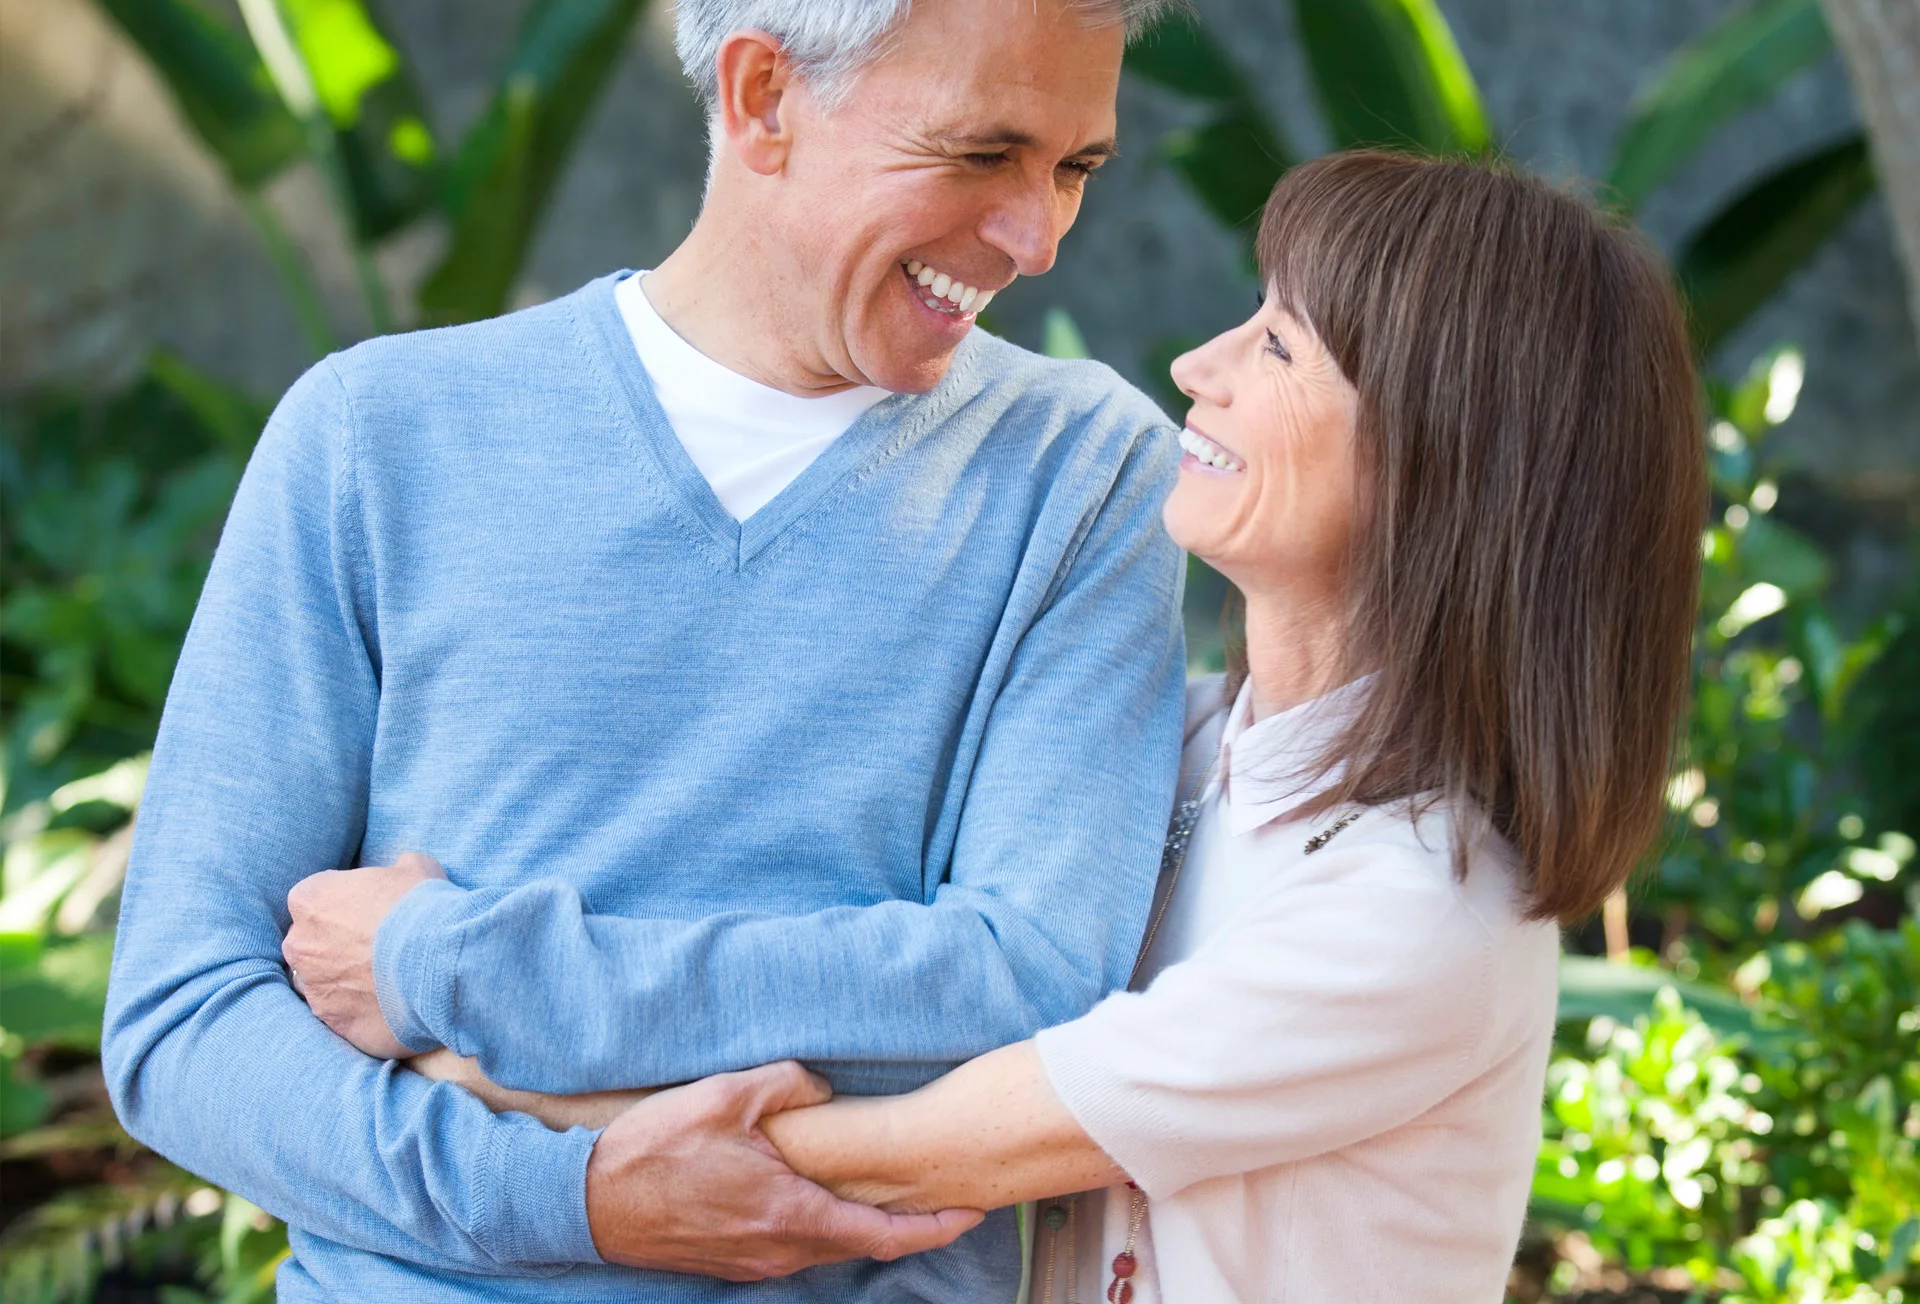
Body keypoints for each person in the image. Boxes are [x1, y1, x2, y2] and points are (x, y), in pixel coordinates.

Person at [103, 0, 1190, 1301]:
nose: (1038, 237)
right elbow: (184, 1025)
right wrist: (582, 1195)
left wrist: (459, 966)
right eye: (982, 154)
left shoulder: (1081, 476)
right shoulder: (376, 437)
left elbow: (1023, 979)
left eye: (1076, 166)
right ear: (761, 97)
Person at [475, 150, 1707, 1302]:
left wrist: (481, 1075)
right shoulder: (1177, 755)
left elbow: (907, 1154)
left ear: (1449, 467)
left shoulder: (1418, 909)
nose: (1199, 367)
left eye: (1279, 349)